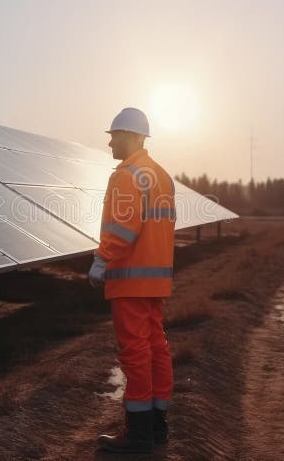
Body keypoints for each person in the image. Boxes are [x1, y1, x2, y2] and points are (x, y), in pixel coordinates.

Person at [89, 107, 176, 454]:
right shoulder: (161, 176)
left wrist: (102, 259)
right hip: (156, 281)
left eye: (115, 135)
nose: (110, 142)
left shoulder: (128, 175)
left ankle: (138, 435)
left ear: (131, 136)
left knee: (135, 354)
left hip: (130, 280)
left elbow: (123, 226)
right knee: (156, 350)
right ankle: (156, 427)